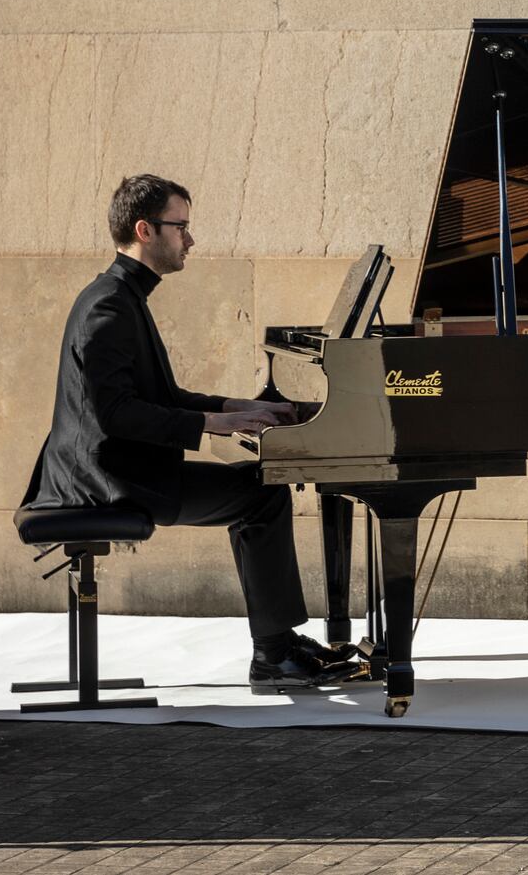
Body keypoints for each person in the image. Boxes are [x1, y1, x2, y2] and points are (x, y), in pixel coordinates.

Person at [21, 174, 353, 691]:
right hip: (108, 479)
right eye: (181, 227)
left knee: (258, 490)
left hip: (113, 467)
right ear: (144, 230)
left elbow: (160, 396)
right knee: (261, 496)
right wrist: (214, 424)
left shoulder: (120, 296)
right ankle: (274, 653)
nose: (190, 240)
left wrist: (234, 406)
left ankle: (278, 645)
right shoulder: (109, 307)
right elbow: (117, 414)